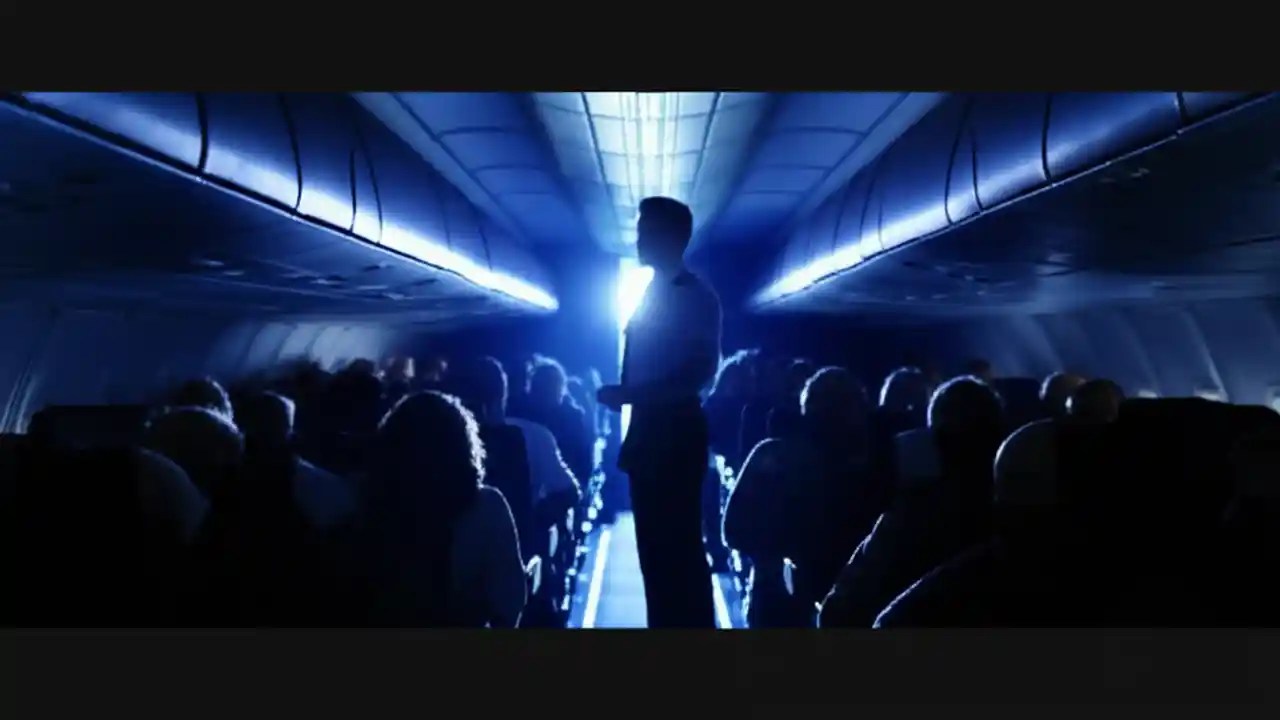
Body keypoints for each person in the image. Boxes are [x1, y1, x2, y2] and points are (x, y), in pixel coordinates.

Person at [597, 196, 721, 628]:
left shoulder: (694, 296)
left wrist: (631, 395)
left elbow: (698, 371)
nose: (638, 239)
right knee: (656, 554)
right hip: (653, 435)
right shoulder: (658, 291)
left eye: (646, 231)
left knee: (678, 551)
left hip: (672, 435)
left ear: (671, 237)